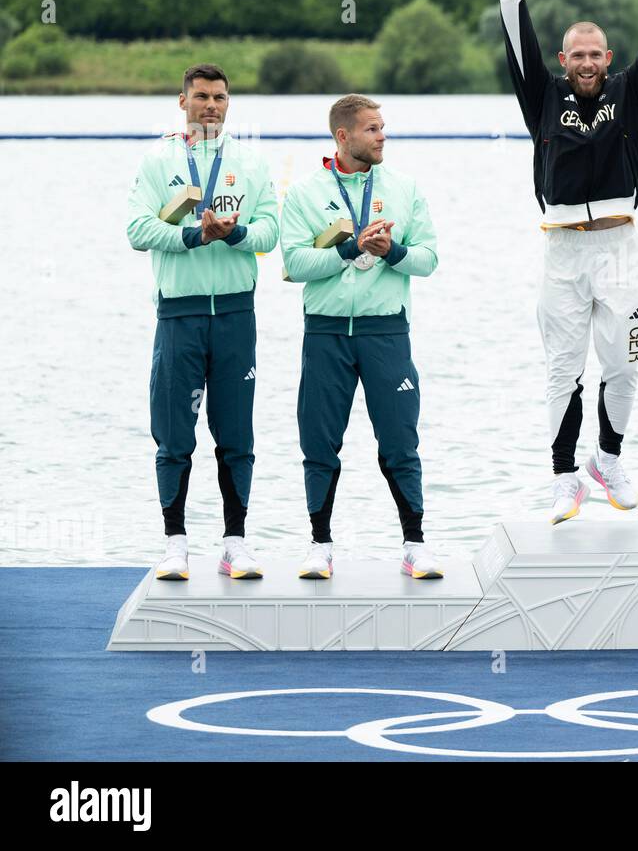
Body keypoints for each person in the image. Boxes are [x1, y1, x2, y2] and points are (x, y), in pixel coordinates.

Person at [497, 0, 638, 525]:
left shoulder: (631, 96)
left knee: (624, 363)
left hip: (620, 247)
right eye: (576, 55)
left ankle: (608, 458)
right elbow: (515, 42)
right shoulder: (542, 98)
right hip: (563, 250)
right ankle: (563, 476)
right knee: (562, 369)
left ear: (608, 59)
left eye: (595, 55)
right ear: (563, 60)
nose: (586, 63)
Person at [126, 63, 279, 581]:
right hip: (180, 313)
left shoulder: (250, 162)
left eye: (219, 98)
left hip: (236, 314)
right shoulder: (157, 160)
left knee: (236, 433)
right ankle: (175, 544)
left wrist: (232, 235)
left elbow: (271, 233)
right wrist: (194, 237)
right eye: (202, 97)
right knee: (174, 434)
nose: (211, 105)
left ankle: (235, 542)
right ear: (182, 101)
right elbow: (137, 229)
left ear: (229, 104)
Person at [281, 95, 441, 579]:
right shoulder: (306, 192)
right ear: (343, 136)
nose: (382, 135)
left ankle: (415, 545)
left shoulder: (404, 188)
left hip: (386, 330)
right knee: (319, 440)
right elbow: (294, 264)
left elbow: (430, 259)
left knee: (399, 439)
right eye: (372, 129)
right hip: (326, 332)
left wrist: (393, 251)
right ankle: (320, 545)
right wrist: (349, 249)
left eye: (383, 127)